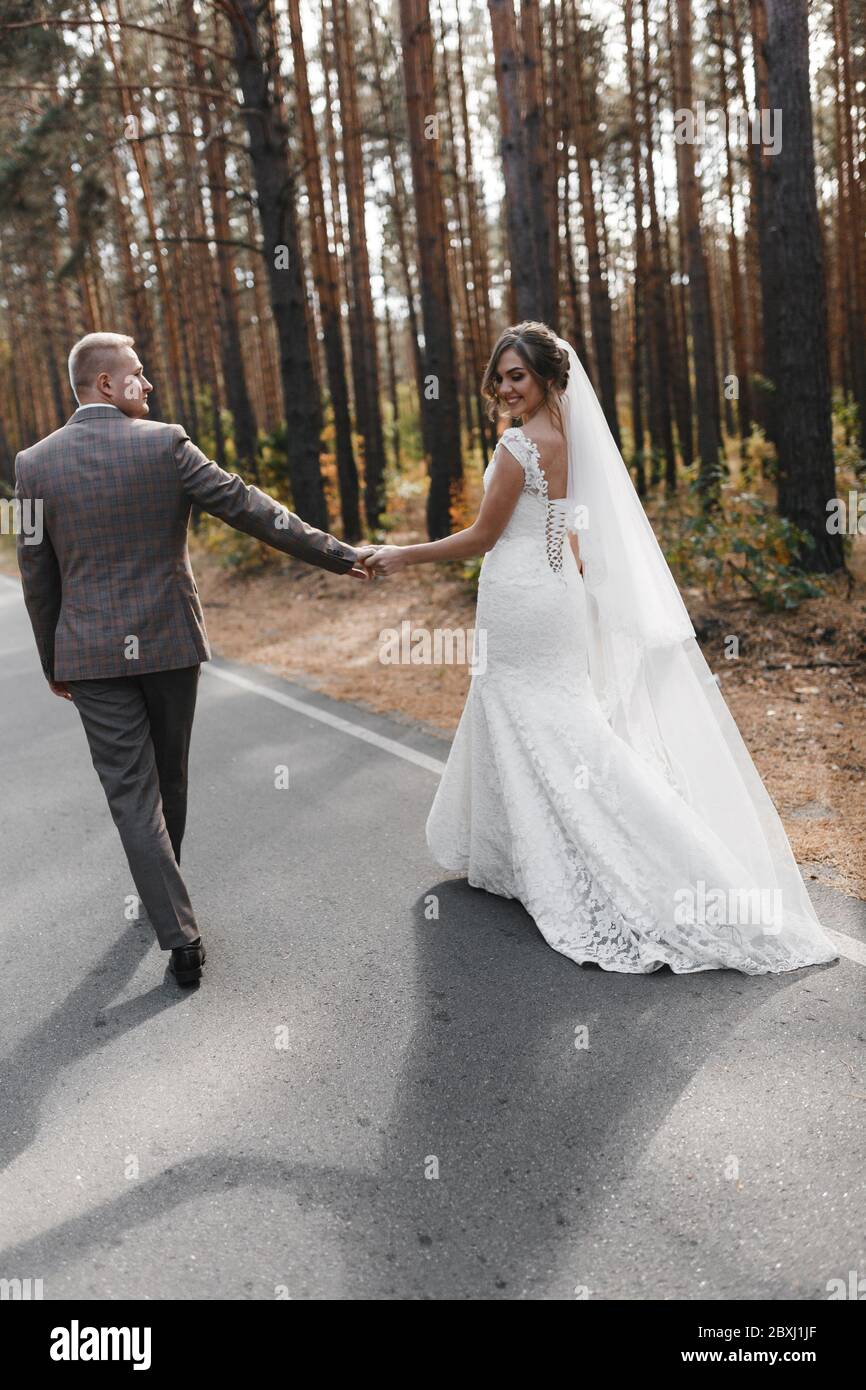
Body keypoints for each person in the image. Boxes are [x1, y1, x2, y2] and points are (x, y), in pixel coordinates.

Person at [365, 321, 839, 975]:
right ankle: (522, 854)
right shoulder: (570, 440)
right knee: (561, 722)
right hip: (551, 594)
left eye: (517, 375)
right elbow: (565, 529)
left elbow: (481, 538)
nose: (505, 387)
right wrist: (580, 590)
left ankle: (588, 859)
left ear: (548, 378)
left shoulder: (517, 445)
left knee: (538, 721)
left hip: (521, 600)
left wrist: (399, 556)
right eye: (500, 376)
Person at [15, 331, 376, 986]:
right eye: (137, 373)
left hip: (89, 653)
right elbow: (250, 509)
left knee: (130, 790)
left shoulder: (32, 465)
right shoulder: (166, 444)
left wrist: (52, 661)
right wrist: (340, 554)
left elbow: (35, 574)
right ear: (104, 384)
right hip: (168, 644)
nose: (147, 384)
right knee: (169, 777)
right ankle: (171, 907)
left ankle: (169, 911)